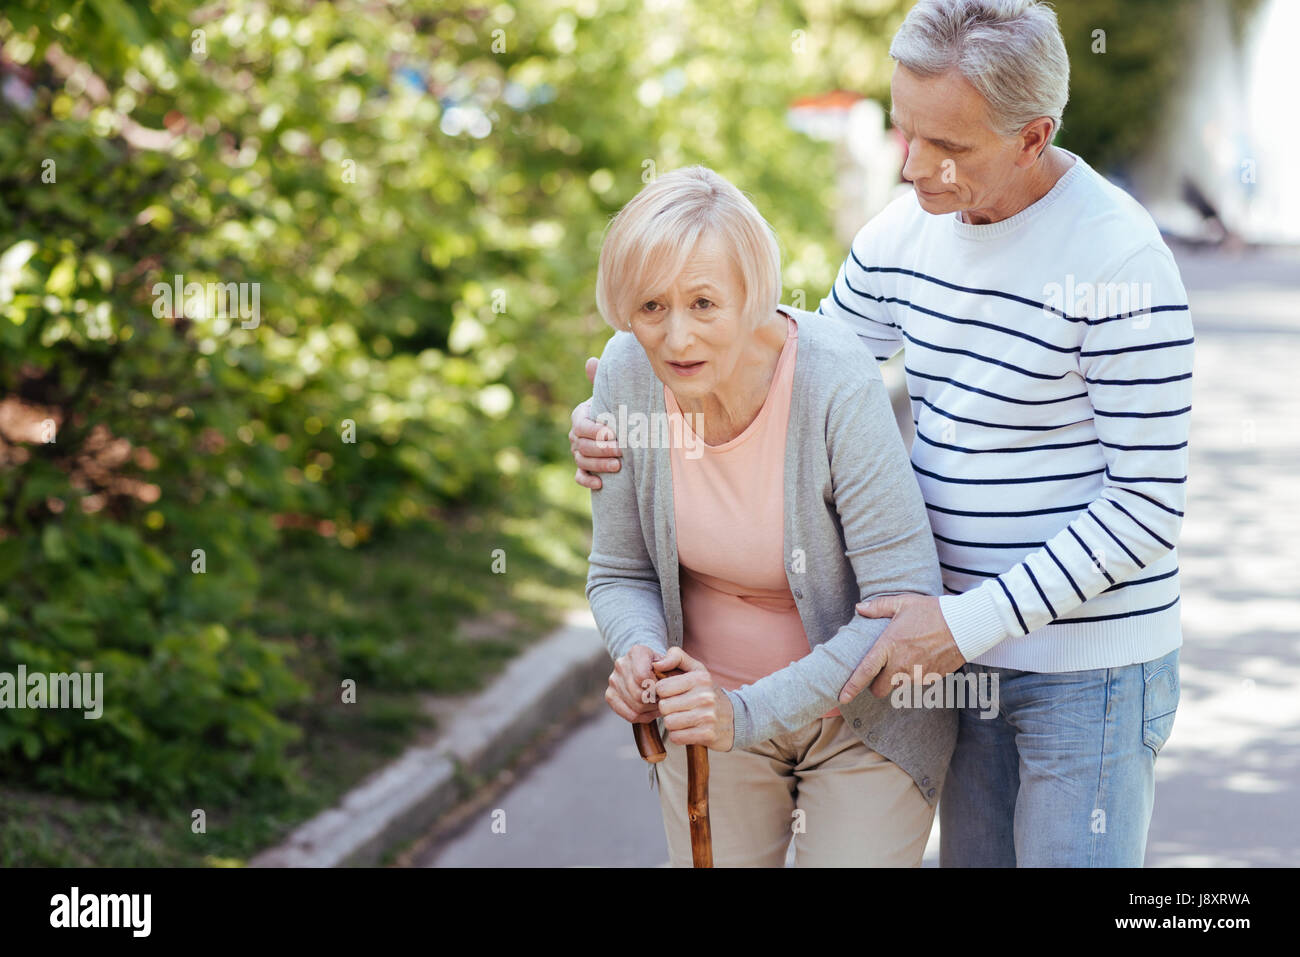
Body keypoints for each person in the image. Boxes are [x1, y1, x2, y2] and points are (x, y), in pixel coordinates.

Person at [572, 0, 1192, 867]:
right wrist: (613, 412)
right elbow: (798, 372)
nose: (914, 168)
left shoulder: (1120, 261)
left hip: (1082, 669)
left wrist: (965, 623)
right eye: (907, 133)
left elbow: (1147, 504)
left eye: (948, 147)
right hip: (940, 654)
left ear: (1031, 135)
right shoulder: (905, 236)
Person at [586, 165, 954, 867]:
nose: (675, 338)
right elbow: (617, 569)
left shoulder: (834, 381)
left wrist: (747, 713)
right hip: (709, 717)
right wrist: (637, 650)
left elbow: (899, 608)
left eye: (703, 303)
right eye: (651, 307)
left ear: (751, 295)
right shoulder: (626, 375)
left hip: (861, 721)